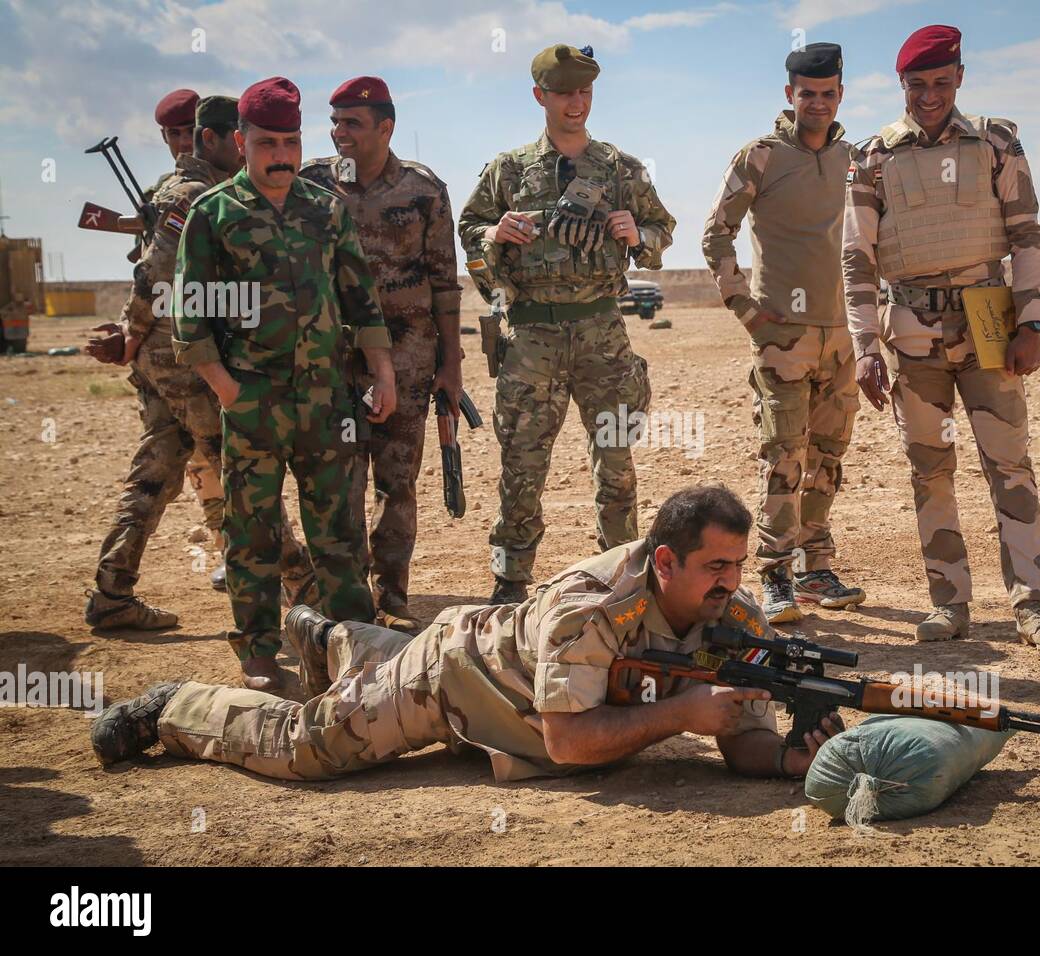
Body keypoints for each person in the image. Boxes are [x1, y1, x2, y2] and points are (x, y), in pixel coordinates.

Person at [91, 484, 844, 782]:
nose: (733, 583)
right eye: (717, 566)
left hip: (506, 675)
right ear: (667, 561)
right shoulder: (592, 606)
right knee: (309, 751)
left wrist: (787, 756)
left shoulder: (733, 618)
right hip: (456, 679)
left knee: (368, 664)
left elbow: (740, 736)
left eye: (741, 565)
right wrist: (682, 714)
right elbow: (567, 741)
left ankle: (330, 637)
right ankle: (175, 707)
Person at [842, 25, 1040, 653]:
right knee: (930, 472)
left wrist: (1032, 323)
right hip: (913, 337)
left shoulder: (997, 144)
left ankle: (1034, 608)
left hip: (990, 330)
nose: (929, 96)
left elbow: (1027, 235)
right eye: (918, 85)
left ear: (960, 79)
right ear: (902, 86)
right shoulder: (871, 158)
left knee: (1010, 466)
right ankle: (950, 605)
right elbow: (857, 261)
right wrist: (865, 347)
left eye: (941, 83)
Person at [171, 77, 397, 689]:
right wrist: (226, 388)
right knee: (253, 531)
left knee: (338, 533)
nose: (282, 155)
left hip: (326, 400)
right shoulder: (212, 215)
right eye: (268, 142)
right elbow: (189, 313)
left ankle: (357, 641)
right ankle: (259, 651)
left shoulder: (323, 211)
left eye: (291, 142)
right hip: (253, 402)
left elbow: (361, 298)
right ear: (242, 142)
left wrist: (381, 372)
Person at [84, 95, 317, 632]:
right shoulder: (194, 193)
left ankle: (111, 591)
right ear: (208, 139)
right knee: (240, 467)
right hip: (186, 358)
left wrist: (135, 338)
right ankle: (305, 583)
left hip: (165, 356)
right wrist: (132, 330)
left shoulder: (179, 190)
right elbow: (157, 272)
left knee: (157, 472)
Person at [458, 43, 675, 605]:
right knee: (523, 463)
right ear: (541, 97)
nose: (576, 103)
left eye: (584, 91)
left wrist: (638, 235)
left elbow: (661, 236)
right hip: (531, 337)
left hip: (602, 333)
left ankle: (623, 575)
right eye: (563, 93)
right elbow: (470, 235)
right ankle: (510, 585)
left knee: (616, 458)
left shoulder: (622, 168)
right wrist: (493, 235)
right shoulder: (507, 171)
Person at [702, 41, 864, 624]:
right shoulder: (761, 158)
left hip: (844, 335)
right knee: (784, 455)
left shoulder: (857, 158)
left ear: (840, 94)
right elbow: (716, 234)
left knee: (828, 455)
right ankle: (775, 574)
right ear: (789, 95)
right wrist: (744, 308)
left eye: (827, 94)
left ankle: (818, 565)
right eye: (806, 94)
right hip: (783, 338)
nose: (816, 104)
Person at [300, 75, 462, 634]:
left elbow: (445, 280)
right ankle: (343, 597)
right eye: (335, 122)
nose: (338, 132)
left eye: (353, 123)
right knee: (339, 478)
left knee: (397, 481)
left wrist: (452, 363)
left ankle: (391, 593)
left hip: (411, 353)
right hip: (333, 355)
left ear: (385, 128)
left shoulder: (423, 189)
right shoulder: (314, 184)